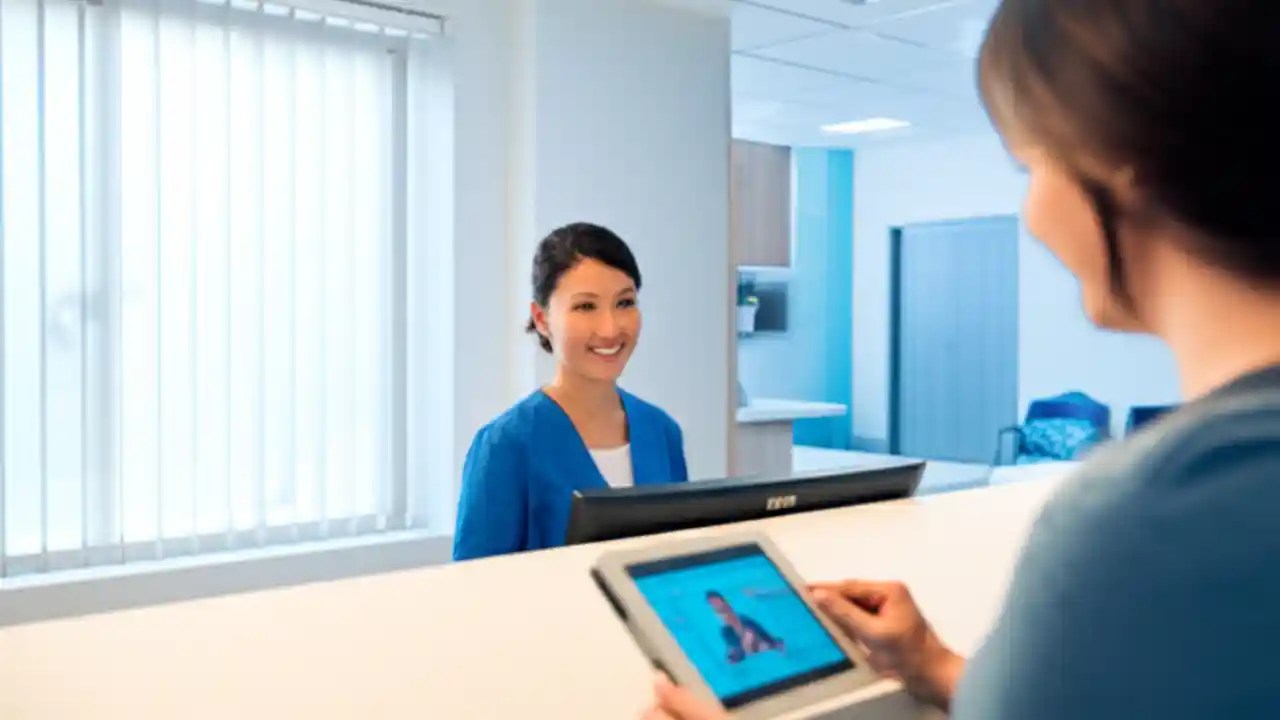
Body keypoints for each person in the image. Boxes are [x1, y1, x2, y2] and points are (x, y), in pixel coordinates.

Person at [645, 0, 1280, 717]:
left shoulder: (1149, 525)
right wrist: (938, 668)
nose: (1032, 214)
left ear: (1121, 163)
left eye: (1030, 164)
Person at [453, 222, 689, 561]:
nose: (610, 329)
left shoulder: (662, 432)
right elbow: (473, 591)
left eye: (624, 303)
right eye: (585, 307)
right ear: (542, 319)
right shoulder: (506, 445)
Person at [705, 591, 784, 664]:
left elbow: (735, 622)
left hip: (740, 624)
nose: (714, 604)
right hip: (731, 628)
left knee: (757, 640)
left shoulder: (727, 609)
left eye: (715, 601)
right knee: (738, 646)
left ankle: (775, 643)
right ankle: (773, 643)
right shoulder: (718, 613)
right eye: (711, 602)